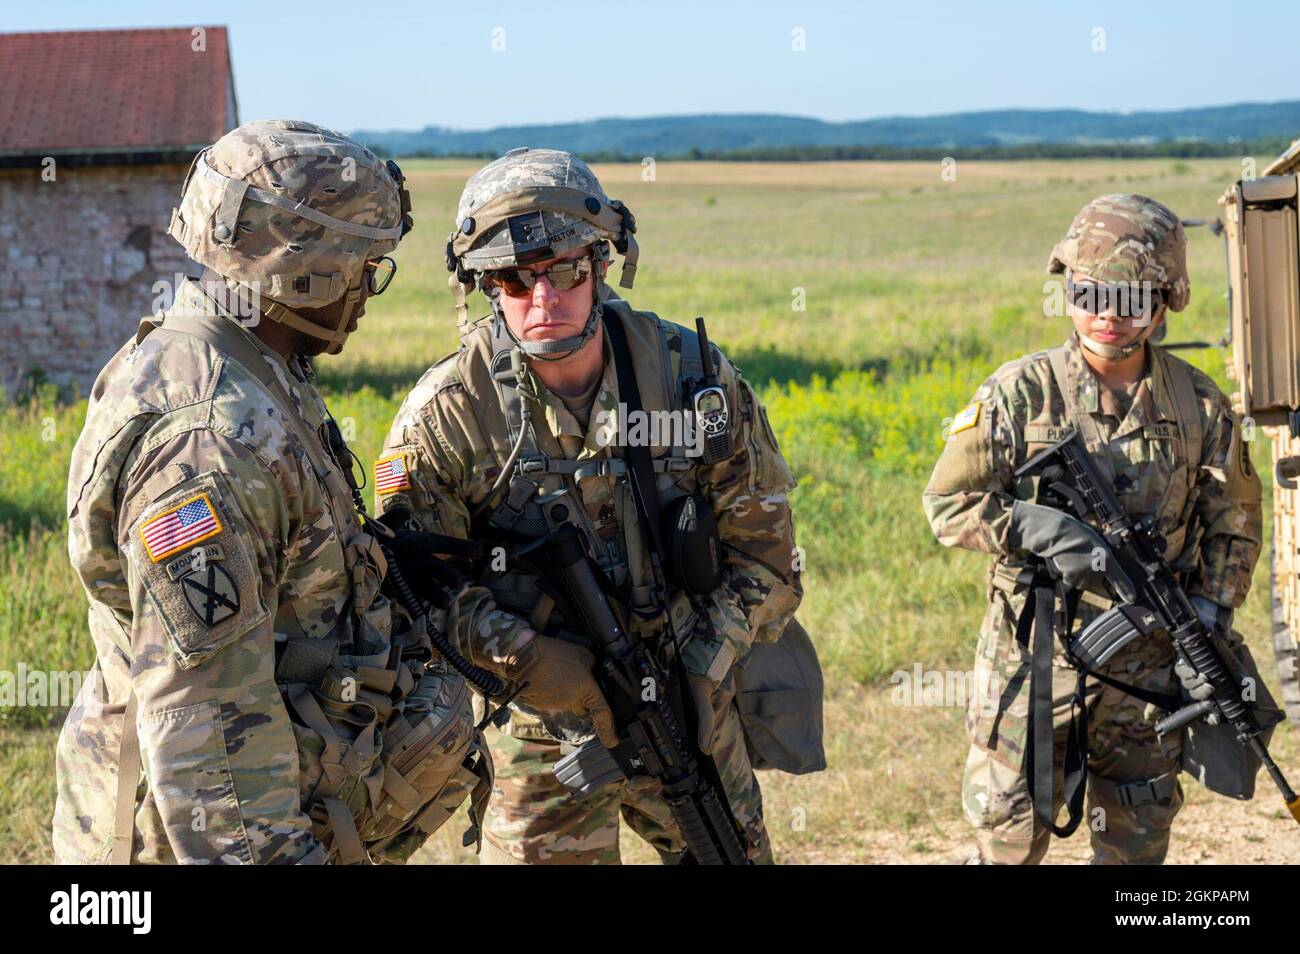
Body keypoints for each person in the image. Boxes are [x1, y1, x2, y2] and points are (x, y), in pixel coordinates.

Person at [54, 119, 488, 864]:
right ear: (304, 270)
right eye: (365, 266)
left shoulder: (248, 360)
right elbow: (211, 750)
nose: (367, 292)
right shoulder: (208, 444)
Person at [376, 147, 820, 864]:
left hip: (685, 696)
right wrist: (527, 655)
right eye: (514, 279)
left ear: (603, 264)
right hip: (542, 722)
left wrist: (706, 665)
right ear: (484, 286)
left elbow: (767, 558)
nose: (542, 298)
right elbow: (412, 585)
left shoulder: (691, 380)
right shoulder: (448, 416)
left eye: (565, 272)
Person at [922, 194, 1263, 864]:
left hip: (1146, 673)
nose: (1108, 314)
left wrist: (1208, 614)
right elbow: (948, 503)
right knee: (1009, 838)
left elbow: (1236, 521)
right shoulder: (1020, 393)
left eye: (1131, 297)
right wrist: (1041, 530)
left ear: (1165, 303)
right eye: (1089, 294)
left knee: (1136, 845)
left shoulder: (1199, 405)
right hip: (1031, 663)